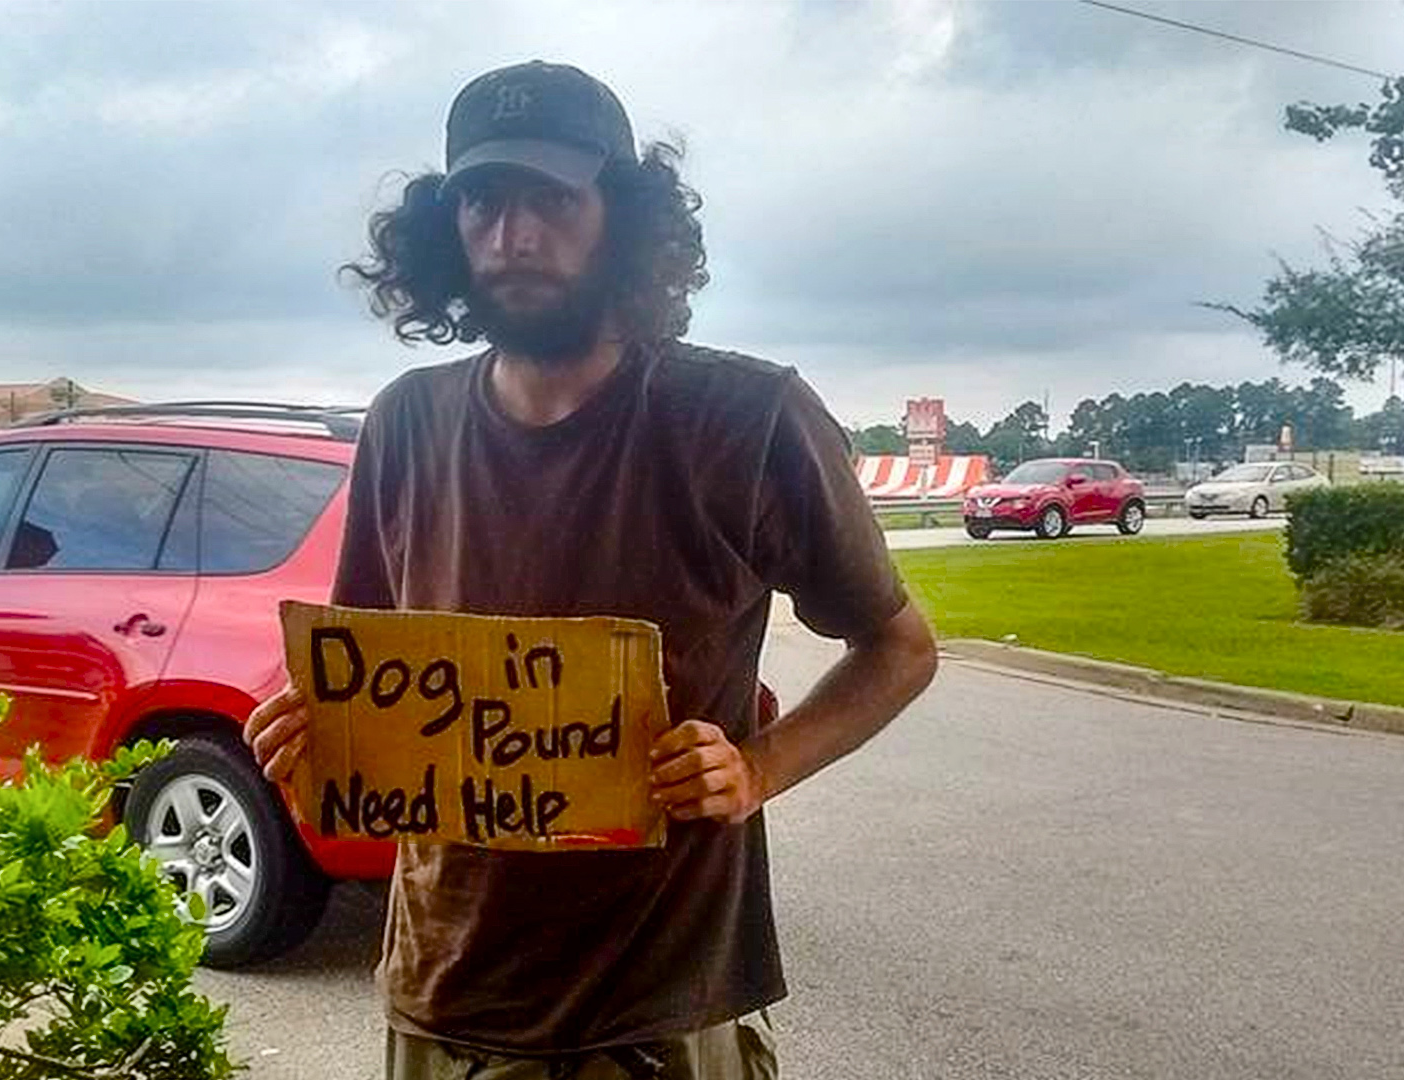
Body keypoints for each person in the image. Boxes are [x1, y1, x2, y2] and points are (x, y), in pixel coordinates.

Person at [245, 60, 939, 1080]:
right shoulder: (407, 423)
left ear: (621, 217)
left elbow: (901, 647)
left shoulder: (746, 421)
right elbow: (368, 710)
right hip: (442, 1004)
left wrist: (757, 768)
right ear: (449, 228)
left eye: (552, 200)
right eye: (484, 200)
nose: (515, 236)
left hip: (659, 1015)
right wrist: (312, 759)